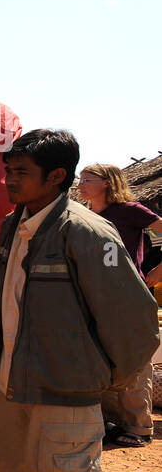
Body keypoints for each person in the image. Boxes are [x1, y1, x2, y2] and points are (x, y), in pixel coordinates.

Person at [0, 130, 158, 472]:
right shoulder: (14, 222)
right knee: (7, 462)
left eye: (20, 172)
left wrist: (105, 380)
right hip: (12, 376)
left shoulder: (86, 232)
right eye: (8, 170)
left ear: (57, 176)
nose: (9, 180)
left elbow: (136, 320)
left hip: (66, 384)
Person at [75, 163, 161, 447]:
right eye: (81, 178)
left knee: (133, 362)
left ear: (107, 182)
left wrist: (153, 276)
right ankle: (112, 423)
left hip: (128, 297)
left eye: (88, 179)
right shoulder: (86, 215)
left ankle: (139, 428)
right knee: (100, 361)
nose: (81, 183)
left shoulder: (130, 210)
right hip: (96, 297)